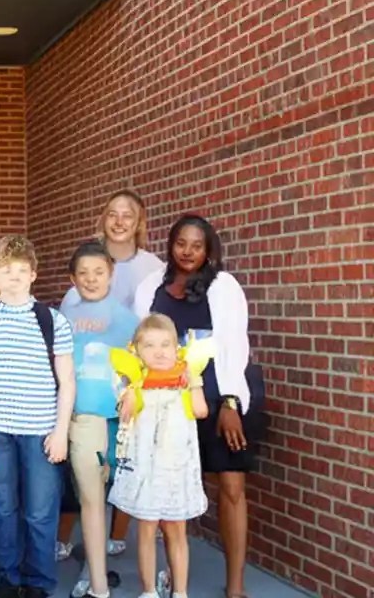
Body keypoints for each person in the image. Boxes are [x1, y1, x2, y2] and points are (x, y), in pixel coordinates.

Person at [133, 215, 262, 598]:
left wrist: (231, 402)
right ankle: (172, 576)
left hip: (220, 397)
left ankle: (235, 586)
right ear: (170, 245)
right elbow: (140, 344)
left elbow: (235, 345)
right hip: (166, 404)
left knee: (232, 485)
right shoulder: (150, 287)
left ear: (208, 250)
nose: (188, 252)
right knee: (168, 490)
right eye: (181, 243)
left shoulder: (223, 287)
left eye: (197, 245)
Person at [0, 236, 74, 598]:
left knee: (41, 512)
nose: (13, 277)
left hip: (41, 430)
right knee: (3, 508)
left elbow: (67, 380)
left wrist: (61, 432)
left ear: (34, 275)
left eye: (21, 271)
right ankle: (8, 578)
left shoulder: (51, 320)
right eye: (5, 270)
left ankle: (39, 582)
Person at [59, 190, 163, 559]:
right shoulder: (88, 260)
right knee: (84, 471)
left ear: (139, 223)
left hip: (124, 384)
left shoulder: (153, 267)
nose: (119, 221)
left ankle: (112, 539)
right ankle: (69, 537)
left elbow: (149, 329)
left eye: (128, 215)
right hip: (88, 388)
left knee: (118, 468)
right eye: (112, 214)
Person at [109, 315, 212, 598]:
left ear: (176, 348)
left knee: (177, 530)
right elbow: (125, 413)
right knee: (146, 529)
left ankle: (180, 591)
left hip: (177, 469)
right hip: (147, 471)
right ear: (136, 351)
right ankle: (149, 590)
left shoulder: (184, 382)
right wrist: (130, 392)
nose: (159, 351)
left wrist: (195, 382)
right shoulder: (136, 385)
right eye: (150, 345)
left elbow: (201, 411)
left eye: (166, 344)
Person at [59, 242, 140, 598]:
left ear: (111, 273)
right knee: (90, 498)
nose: (91, 279)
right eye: (83, 273)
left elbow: (144, 366)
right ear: (72, 278)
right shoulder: (63, 315)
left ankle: (100, 571)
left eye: (99, 272)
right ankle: (98, 585)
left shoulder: (127, 319)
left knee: (111, 496)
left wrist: (135, 394)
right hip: (83, 417)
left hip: (121, 421)